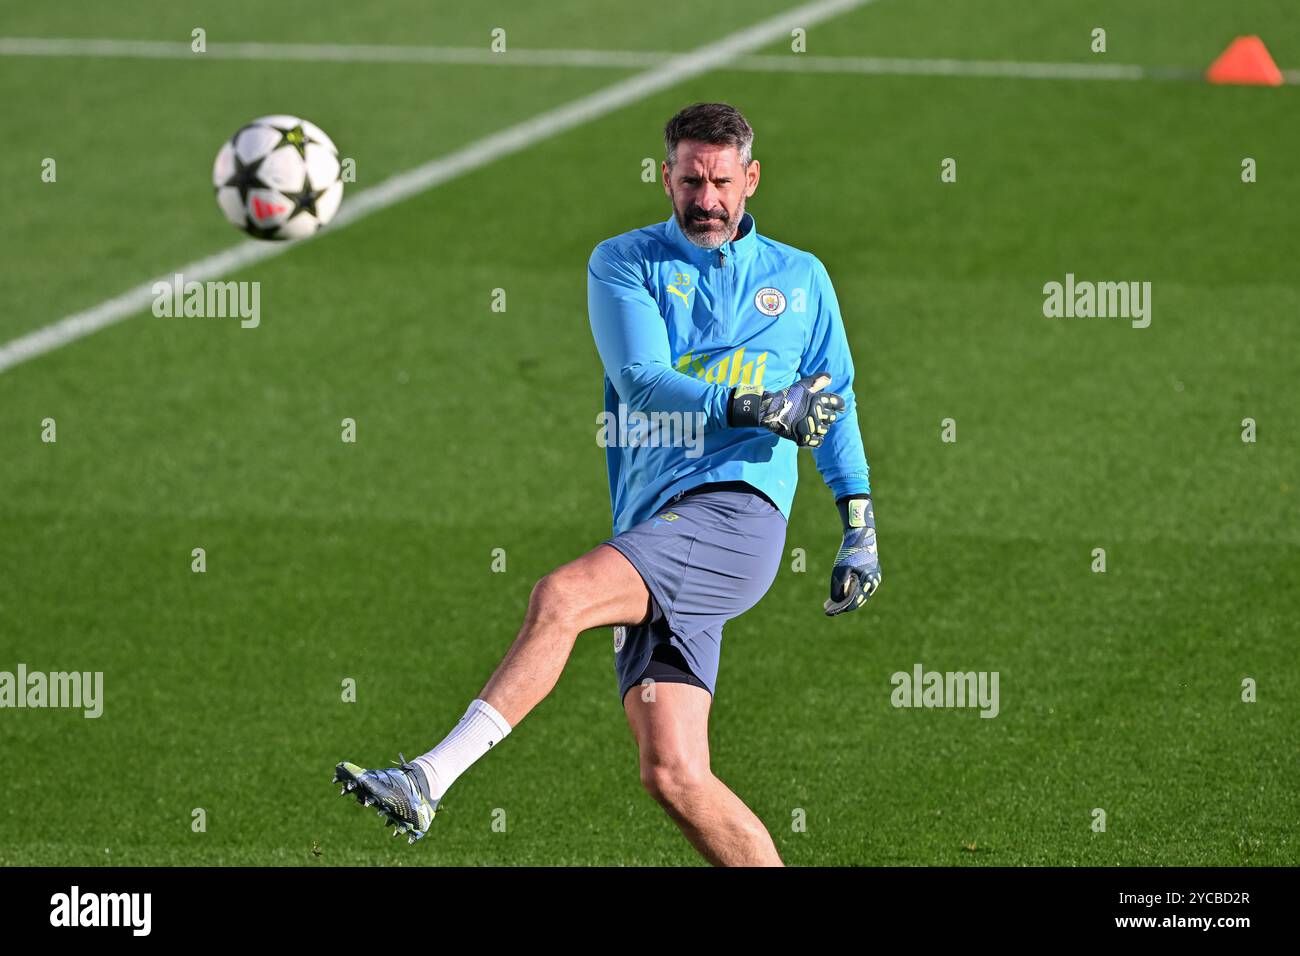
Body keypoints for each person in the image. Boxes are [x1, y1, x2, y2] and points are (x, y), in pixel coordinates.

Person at [334, 101, 881, 866]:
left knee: (561, 597)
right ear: (667, 179)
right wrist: (752, 404)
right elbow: (642, 380)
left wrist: (858, 526)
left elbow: (835, 398)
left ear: (751, 179)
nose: (707, 199)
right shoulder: (624, 263)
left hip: (735, 515)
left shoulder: (802, 279)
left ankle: (427, 778)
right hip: (655, 521)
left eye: (722, 181)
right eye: (691, 181)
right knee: (674, 774)